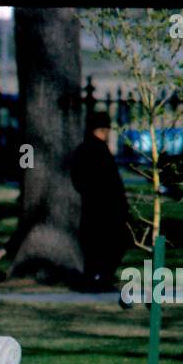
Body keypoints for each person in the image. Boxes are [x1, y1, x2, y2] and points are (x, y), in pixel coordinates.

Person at [70, 109, 131, 293]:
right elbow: (111, 182)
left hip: (91, 205)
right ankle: (100, 278)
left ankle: (94, 277)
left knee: (93, 245)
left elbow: (77, 178)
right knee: (112, 243)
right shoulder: (100, 151)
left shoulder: (82, 150)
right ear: (104, 130)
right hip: (107, 207)